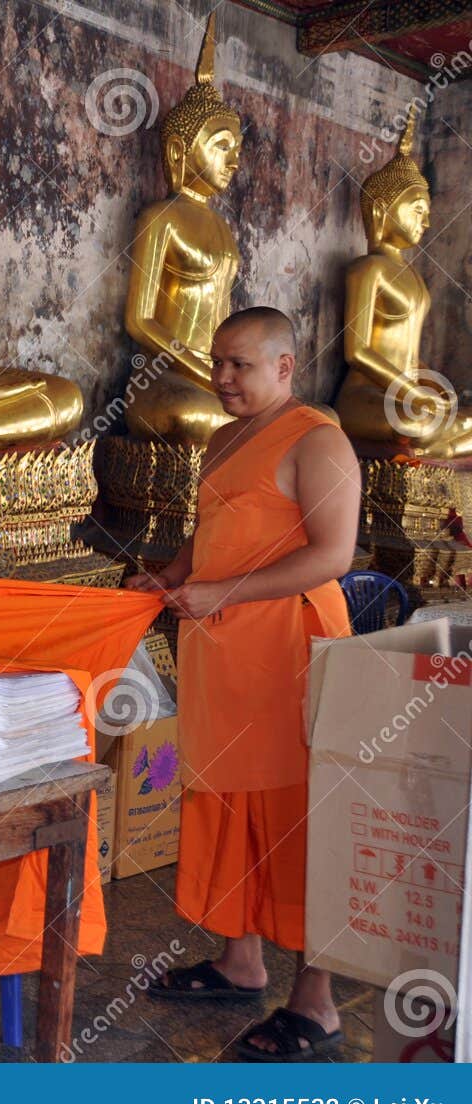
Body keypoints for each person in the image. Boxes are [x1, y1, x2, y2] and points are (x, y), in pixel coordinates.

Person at [125, 307, 360, 1061]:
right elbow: (214, 528)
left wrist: (225, 593)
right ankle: (239, 960)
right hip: (225, 652)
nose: (220, 378)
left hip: (289, 647)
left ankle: (316, 1004)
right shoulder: (225, 438)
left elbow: (333, 555)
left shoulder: (318, 440)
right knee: (230, 797)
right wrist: (175, 572)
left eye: (239, 365)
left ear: (285, 367)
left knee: (300, 816)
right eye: (217, 362)